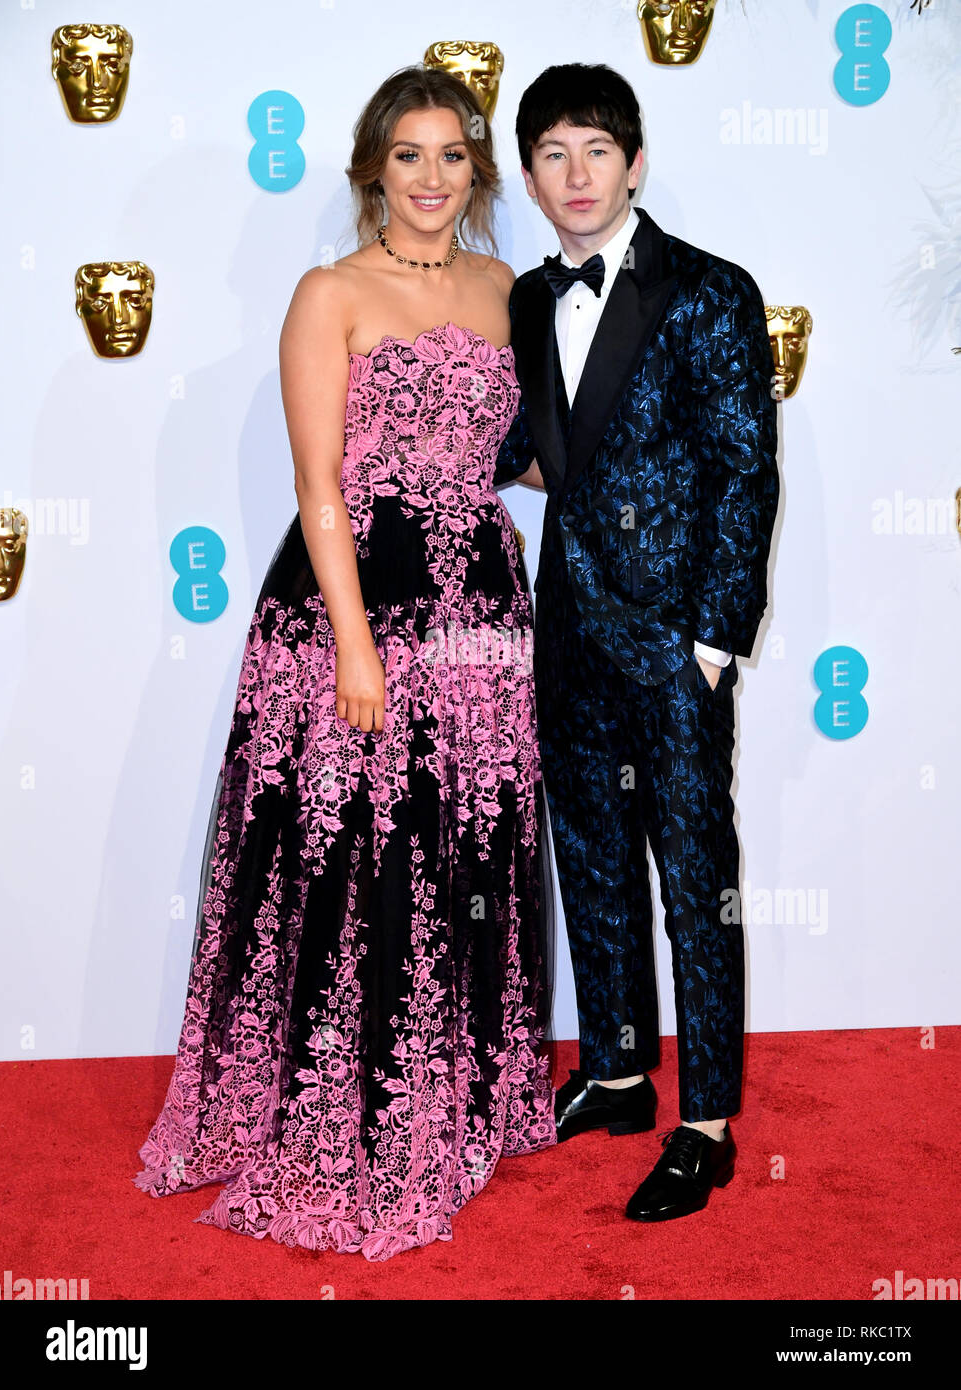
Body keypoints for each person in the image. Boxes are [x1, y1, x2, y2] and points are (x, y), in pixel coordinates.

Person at [134, 65, 556, 1262]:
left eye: (452, 156)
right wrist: (355, 645)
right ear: (373, 167)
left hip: (480, 607)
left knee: (459, 842)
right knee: (358, 854)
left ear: (477, 172)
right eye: (407, 155)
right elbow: (319, 488)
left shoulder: (504, 289)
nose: (430, 178)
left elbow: (515, 455)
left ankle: (453, 1090)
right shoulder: (330, 293)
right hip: (353, 604)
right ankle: (347, 1106)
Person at [494, 63, 779, 1221]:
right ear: (528, 175)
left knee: (693, 879)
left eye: (595, 152)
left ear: (634, 163)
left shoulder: (708, 290)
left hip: (671, 643)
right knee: (594, 864)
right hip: (566, 633)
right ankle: (614, 1073)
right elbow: (536, 443)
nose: (574, 174)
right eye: (552, 154)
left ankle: (703, 1124)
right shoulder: (522, 298)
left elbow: (742, 472)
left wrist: (712, 641)